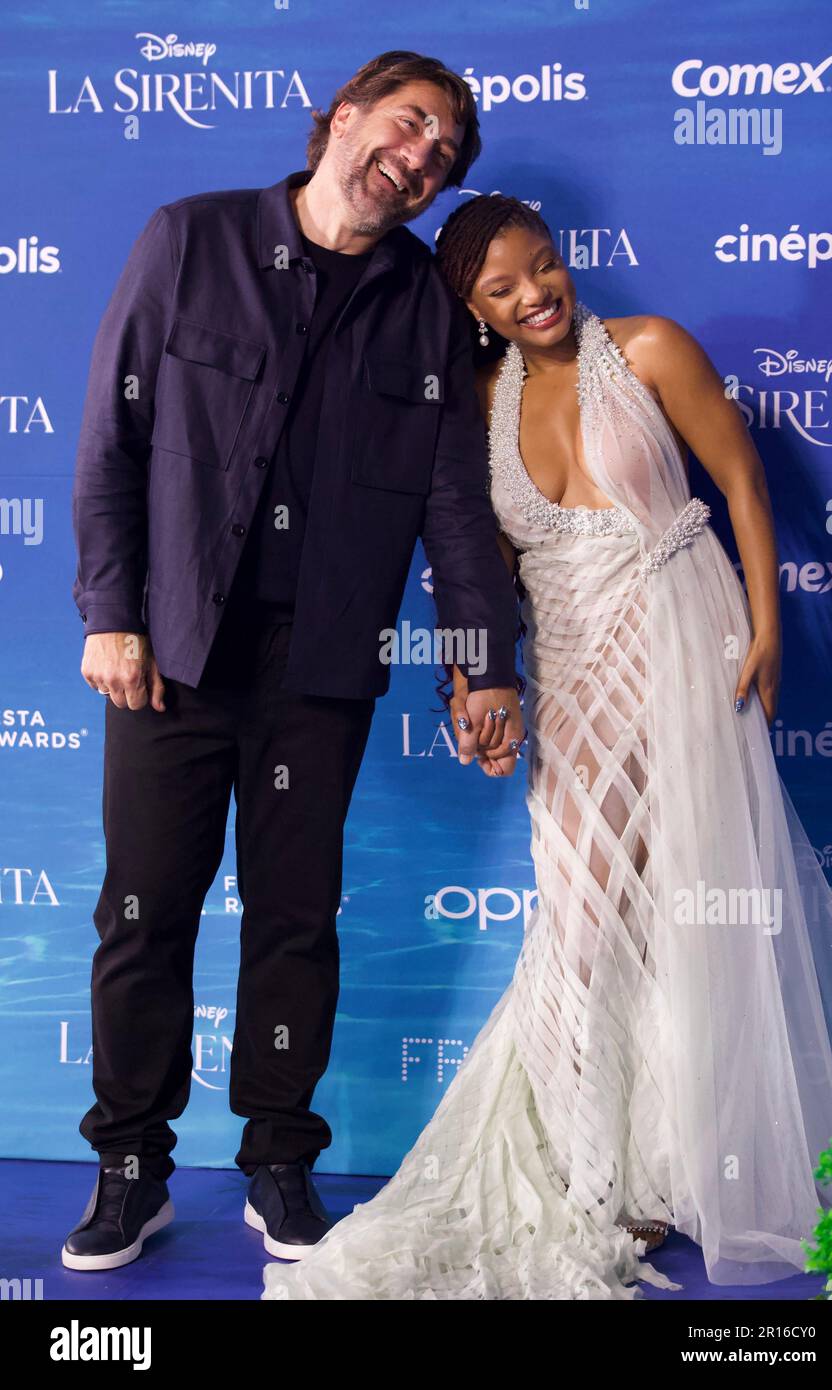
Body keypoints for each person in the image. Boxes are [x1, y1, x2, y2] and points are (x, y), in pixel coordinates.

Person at [260, 196, 832, 1300]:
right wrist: (466, 681)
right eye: (503, 288)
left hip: (690, 640)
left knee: (693, 905)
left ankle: (676, 1171)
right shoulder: (477, 408)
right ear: (471, 308)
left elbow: (738, 479)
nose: (536, 293)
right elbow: (470, 568)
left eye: (543, 267)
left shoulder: (645, 348)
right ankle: (591, 1169)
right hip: (577, 673)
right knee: (583, 920)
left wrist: (770, 629)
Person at [62, 52, 526, 1273]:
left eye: (447, 153)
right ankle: (128, 1166)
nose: (423, 156)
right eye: (411, 122)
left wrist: (481, 665)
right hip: (172, 649)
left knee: (295, 920)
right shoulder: (191, 240)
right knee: (144, 912)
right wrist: (111, 609)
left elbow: (454, 507)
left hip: (321, 665)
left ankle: (278, 1158)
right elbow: (111, 433)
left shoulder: (425, 306)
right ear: (342, 115)